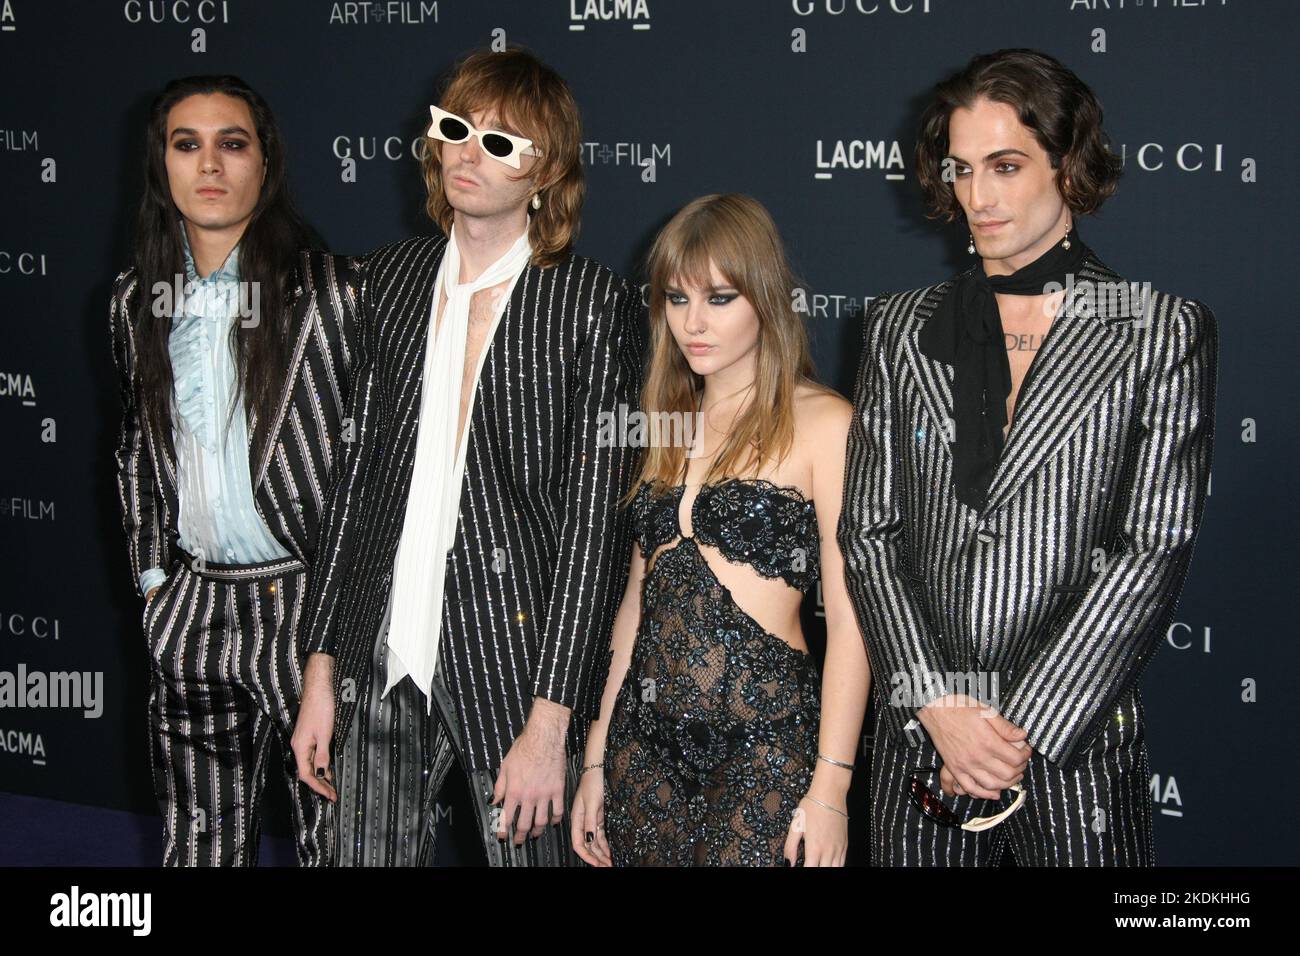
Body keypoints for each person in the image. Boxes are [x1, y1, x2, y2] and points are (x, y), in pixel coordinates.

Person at [838, 48, 1217, 866]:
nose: (979, 196)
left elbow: (1152, 547)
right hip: (923, 746)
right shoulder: (900, 328)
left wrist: (1018, 729)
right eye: (962, 169)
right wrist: (937, 706)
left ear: (1068, 167)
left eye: (1005, 166)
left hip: (1072, 749)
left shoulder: (1157, 330)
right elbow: (870, 534)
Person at [290, 47, 645, 867]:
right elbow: (354, 482)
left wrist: (554, 720)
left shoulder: (589, 301)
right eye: (455, 129)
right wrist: (321, 668)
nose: (465, 152)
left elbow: (595, 528)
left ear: (546, 170)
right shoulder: (392, 279)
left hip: (517, 665)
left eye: (499, 141)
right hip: (379, 651)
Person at [572, 194, 871, 866]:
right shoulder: (666, 425)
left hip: (767, 747)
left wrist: (832, 788)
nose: (693, 322)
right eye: (676, 299)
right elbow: (635, 605)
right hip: (643, 750)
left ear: (765, 298)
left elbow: (853, 620)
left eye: (719, 297)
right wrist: (594, 756)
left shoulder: (826, 424)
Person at [110, 75, 360, 866]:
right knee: (198, 843)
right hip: (192, 606)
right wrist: (156, 584)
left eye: (232, 143)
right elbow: (135, 452)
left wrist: (343, 619)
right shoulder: (133, 302)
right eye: (187, 144)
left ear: (265, 163)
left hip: (307, 612)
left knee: (338, 843)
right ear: (162, 165)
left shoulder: (331, 292)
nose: (209, 165)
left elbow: (367, 466)